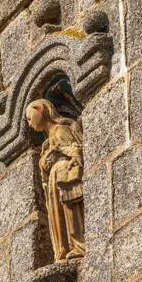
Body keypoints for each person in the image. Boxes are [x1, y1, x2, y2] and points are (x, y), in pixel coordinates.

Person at [25, 98, 86, 261]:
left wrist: (76, 157)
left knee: (70, 211)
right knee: (57, 217)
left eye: (30, 118)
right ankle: (63, 248)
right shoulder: (46, 143)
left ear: (40, 110)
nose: (30, 124)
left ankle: (77, 245)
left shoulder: (60, 130)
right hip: (54, 185)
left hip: (64, 179)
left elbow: (75, 149)